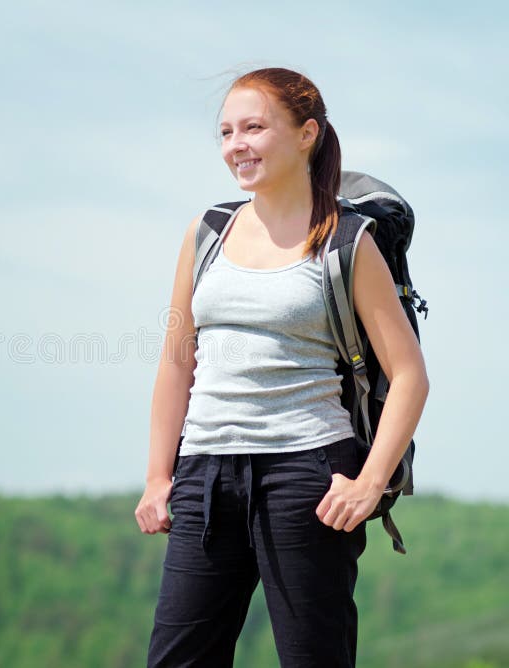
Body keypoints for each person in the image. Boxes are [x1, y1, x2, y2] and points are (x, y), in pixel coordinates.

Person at [134, 66, 430, 668]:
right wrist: (157, 478)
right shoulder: (206, 233)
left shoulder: (347, 241)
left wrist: (370, 484)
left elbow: (409, 375)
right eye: (225, 132)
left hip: (309, 475)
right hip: (205, 477)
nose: (236, 144)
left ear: (306, 135)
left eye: (253, 127)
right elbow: (175, 364)